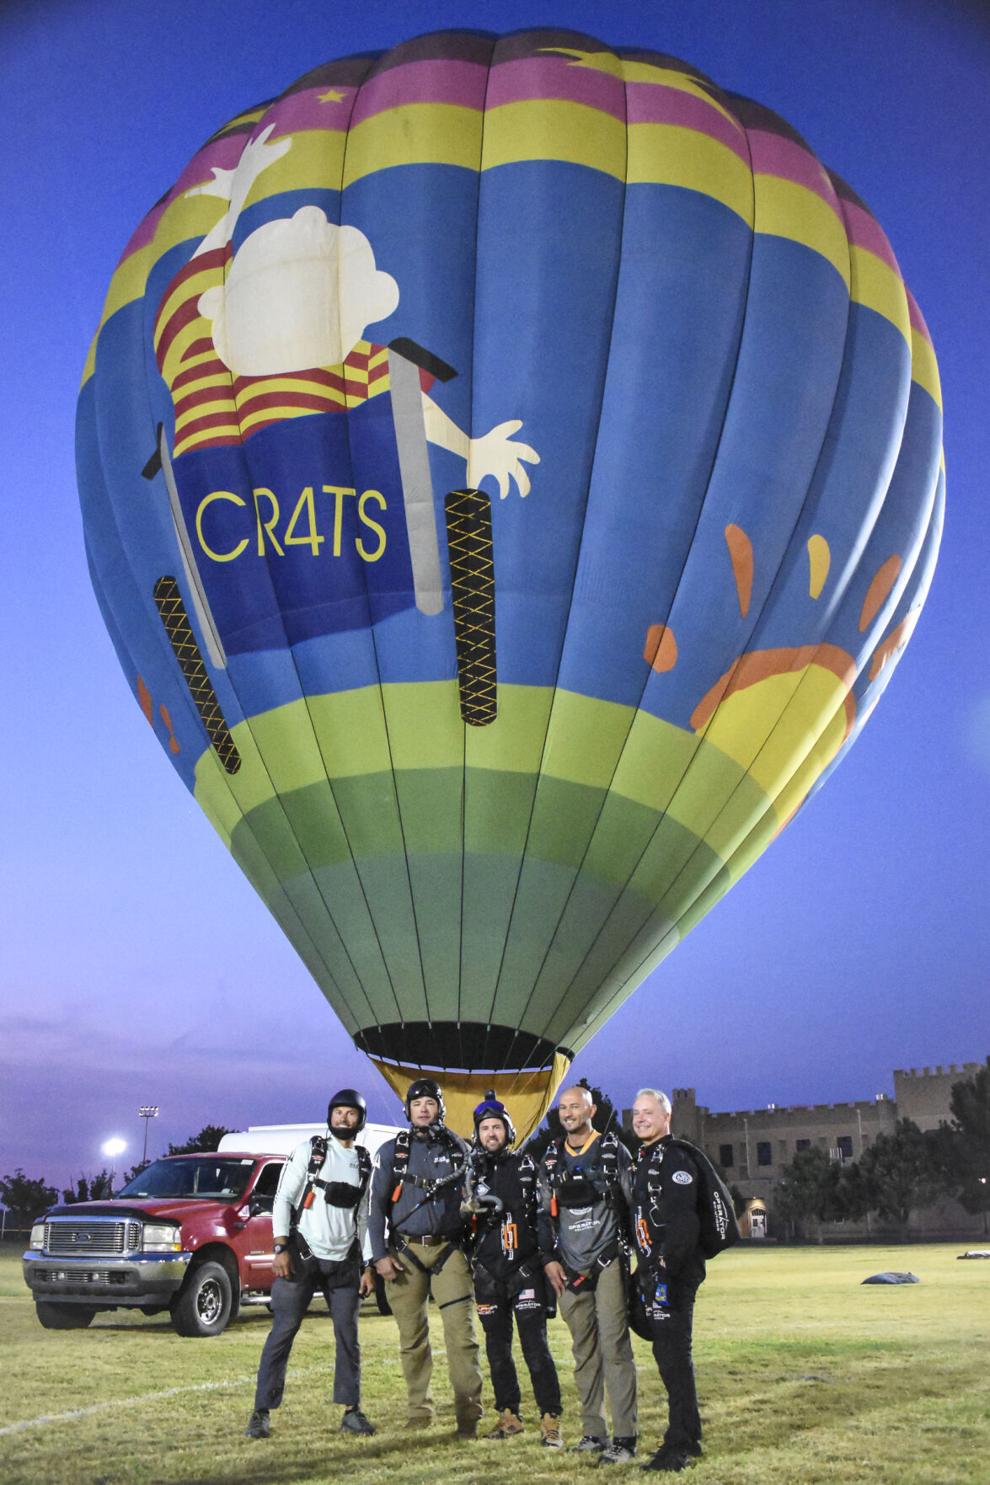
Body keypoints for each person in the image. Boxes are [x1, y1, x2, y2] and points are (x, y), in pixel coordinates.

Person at [246, 1088, 376, 1440]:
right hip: (302, 1258)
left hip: (344, 1263)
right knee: (283, 1332)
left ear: (360, 1120)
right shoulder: (311, 1151)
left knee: (348, 1337)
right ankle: (260, 1412)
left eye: (350, 1113)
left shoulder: (365, 1162)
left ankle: (351, 1411)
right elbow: (283, 1200)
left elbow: (364, 1216)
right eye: (338, 1112)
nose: (343, 1118)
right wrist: (280, 1247)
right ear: (329, 1116)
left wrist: (368, 1264)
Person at [368, 1077, 483, 1438]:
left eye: (429, 1103)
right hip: (405, 1253)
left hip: (450, 1250)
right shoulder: (392, 1152)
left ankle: (469, 1415)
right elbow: (374, 1207)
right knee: (412, 1338)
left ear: (440, 1108)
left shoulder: (461, 1150)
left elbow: (476, 1196)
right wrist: (378, 1256)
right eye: (416, 1103)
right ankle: (420, 1412)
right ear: (408, 1110)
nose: (423, 1109)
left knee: (462, 1335)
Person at [539, 1083, 638, 1465]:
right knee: (583, 1352)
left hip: (608, 1261)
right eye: (563, 1107)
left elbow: (634, 1203)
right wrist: (548, 1259)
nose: (568, 1113)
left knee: (615, 1348)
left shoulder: (612, 1150)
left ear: (591, 1111)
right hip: (568, 1268)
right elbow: (541, 1213)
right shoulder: (551, 1158)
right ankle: (593, 1432)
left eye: (575, 1106)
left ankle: (625, 1437)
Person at [466, 1093, 564, 1448]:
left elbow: (544, 1215)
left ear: (508, 1131)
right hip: (487, 1273)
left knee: (535, 1348)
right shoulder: (470, 1172)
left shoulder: (526, 1166)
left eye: (497, 1127)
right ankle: (509, 1416)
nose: (491, 1133)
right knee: (497, 1351)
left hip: (524, 1270)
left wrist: (547, 1257)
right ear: (477, 1134)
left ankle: (550, 1419)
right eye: (485, 1128)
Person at [630, 1089, 706, 1473]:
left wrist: (663, 1267)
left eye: (649, 1112)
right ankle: (688, 1434)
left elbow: (685, 1220)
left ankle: (680, 1445)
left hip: (672, 1275)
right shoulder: (647, 1158)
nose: (641, 1118)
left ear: (667, 1117)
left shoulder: (674, 1157)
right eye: (636, 1112)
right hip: (655, 1271)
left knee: (673, 1357)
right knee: (668, 1356)